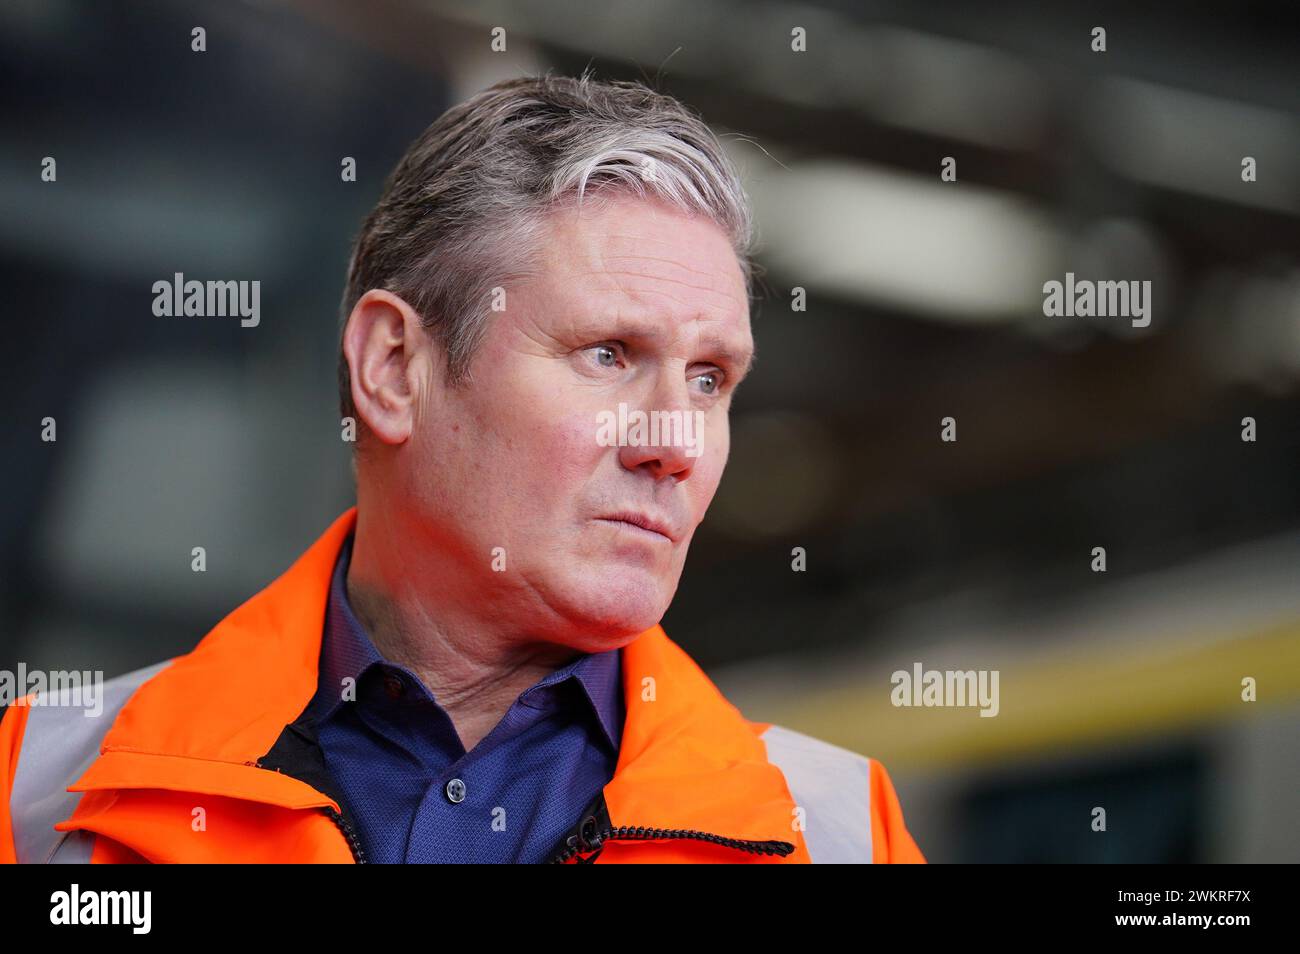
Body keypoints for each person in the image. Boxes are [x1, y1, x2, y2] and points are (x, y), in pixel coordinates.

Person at [0, 71, 924, 864]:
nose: (676, 445)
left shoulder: (835, 836)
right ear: (395, 369)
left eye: (711, 378)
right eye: (608, 353)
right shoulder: (41, 796)